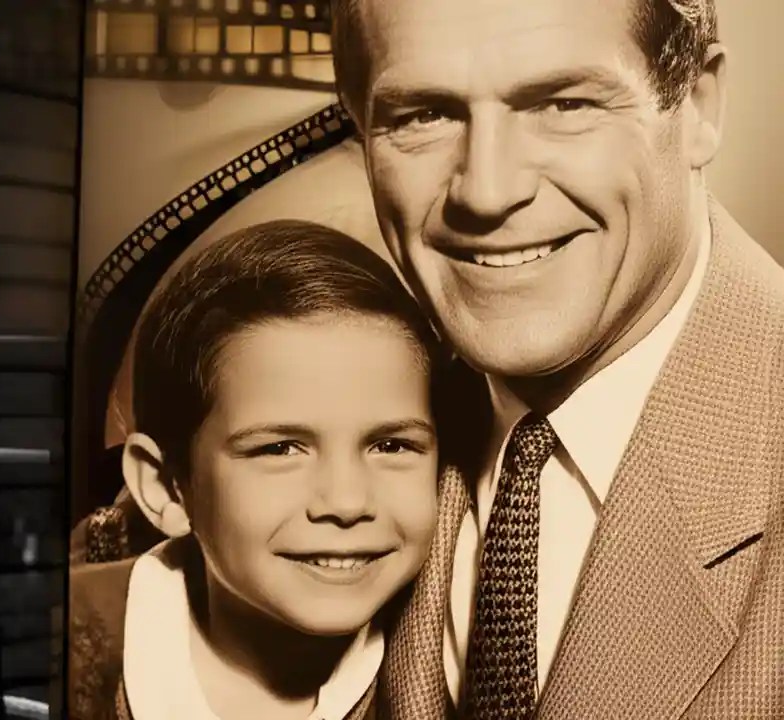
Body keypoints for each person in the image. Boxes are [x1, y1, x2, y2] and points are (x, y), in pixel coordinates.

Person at [329, 0, 784, 716]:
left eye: (565, 104)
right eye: (423, 116)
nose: (487, 190)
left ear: (698, 105)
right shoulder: (353, 421)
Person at [66, 220, 447, 719]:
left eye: (391, 445)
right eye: (281, 449)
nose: (348, 501)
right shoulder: (64, 645)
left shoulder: (460, 656)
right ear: (166, 488)